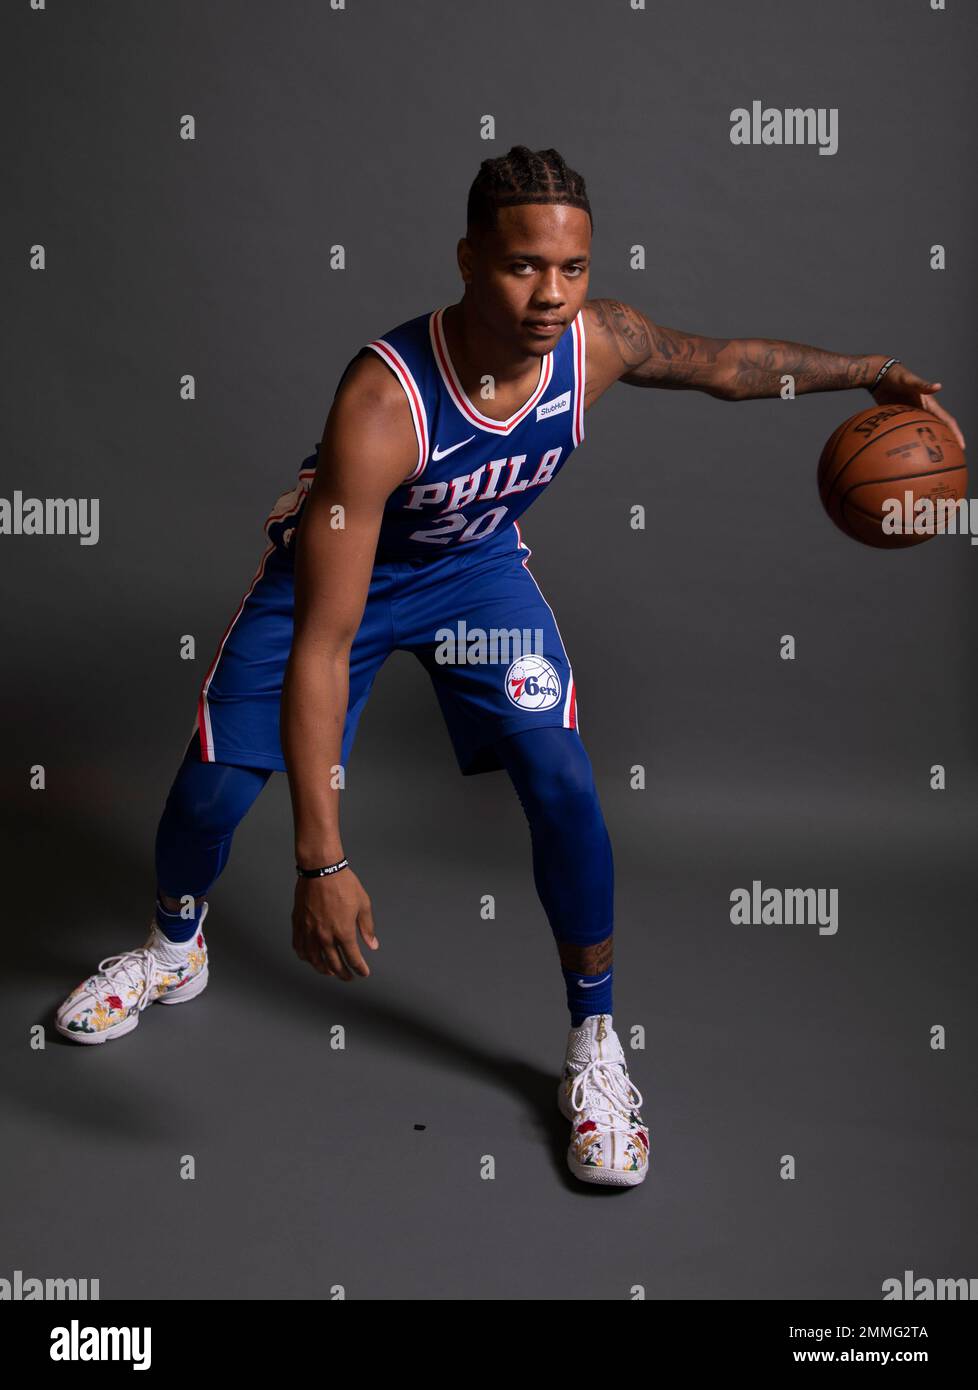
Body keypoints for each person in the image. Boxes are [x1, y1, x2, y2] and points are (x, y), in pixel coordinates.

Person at [55, 145, 964, 1188]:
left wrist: (871, 370)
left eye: (572, 268)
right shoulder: (385, 401)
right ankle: (173, 950)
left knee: (562, 777)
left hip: (474, 576)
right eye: (523, 266)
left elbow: (725, 365)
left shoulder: (597, 342)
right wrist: (322, 862)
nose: (551, 294)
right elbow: (325, 641)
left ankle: (595, 1044)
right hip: (345, 583)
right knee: (213, 793)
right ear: (468, 261)